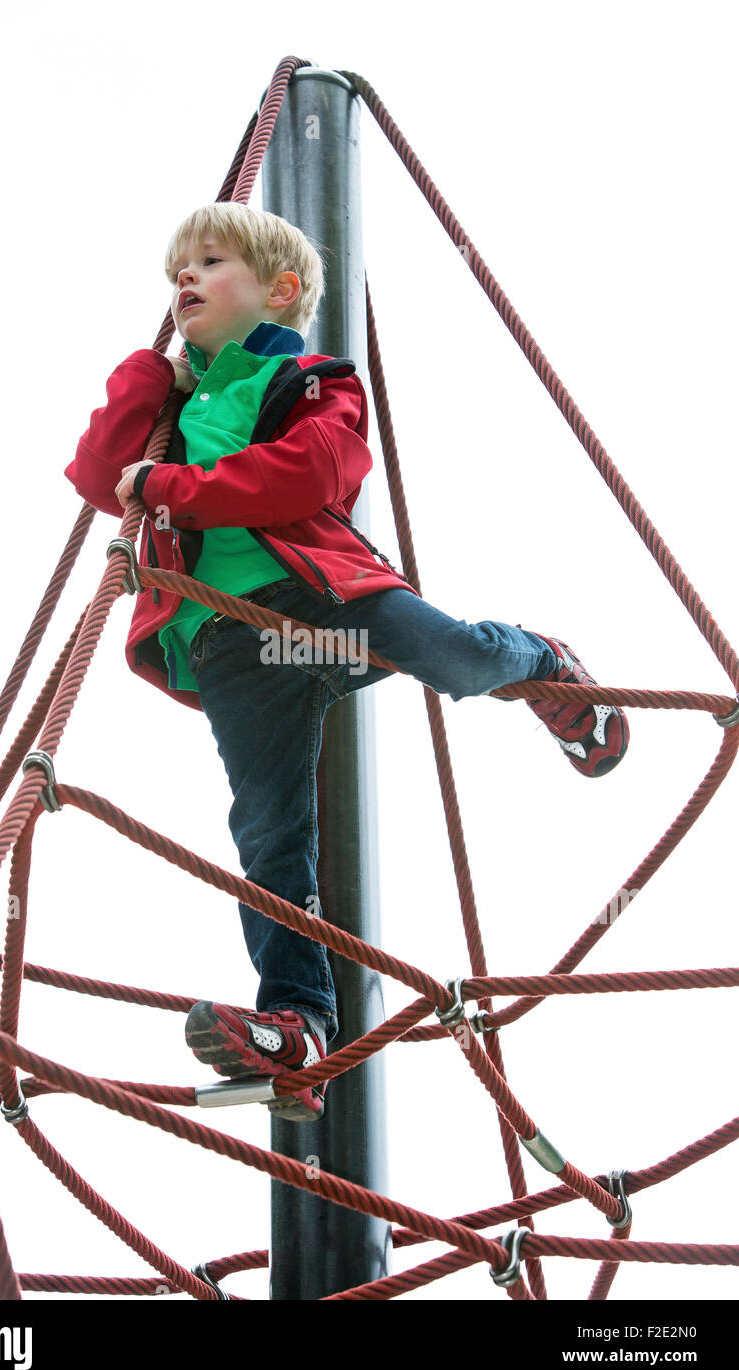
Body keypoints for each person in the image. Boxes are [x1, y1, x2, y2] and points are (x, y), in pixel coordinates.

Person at [66, 203, 629, 1121]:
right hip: (232, 641)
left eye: (210, 262)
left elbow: (310, 473)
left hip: (325, 598)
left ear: (279, 291)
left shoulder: (310, 377)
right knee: (268, 832)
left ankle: (540, 660)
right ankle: (299, 1020)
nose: (186, 280)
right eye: (178, 269)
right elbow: (97, 472)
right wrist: (147, 371)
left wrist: (170, 487)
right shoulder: (173, 400)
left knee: (453, 659)